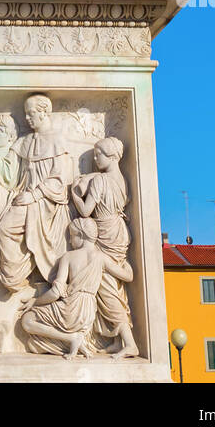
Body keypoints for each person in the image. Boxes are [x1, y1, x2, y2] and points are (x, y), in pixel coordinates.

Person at [20, 216, 132, 358]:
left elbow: (55, 292)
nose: (69, 241)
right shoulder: (101, 257)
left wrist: (34, 302)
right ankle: (74, 339)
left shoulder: (68, 257)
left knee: (27, 320)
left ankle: (71, 338)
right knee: (35, 343)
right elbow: (128, 277)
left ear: (81, 235)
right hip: (88, 311)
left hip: (70, 308)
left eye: (72, 236)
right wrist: (127, 264)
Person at [0, 94, 73, 290]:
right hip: (25, 197)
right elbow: (9, 175)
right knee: (2, 227)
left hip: (46, 202)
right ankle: (14, 278)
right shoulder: (25, 142)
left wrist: (34, 195)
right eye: (26, 114)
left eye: (31, 114)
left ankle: (21, 278)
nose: (27, 118)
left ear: (44, 112)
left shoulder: (57, 141)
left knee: (4, 227)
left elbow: (61, 180)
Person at [71, 136, 138, 358]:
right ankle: (119, 340)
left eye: (98, 154)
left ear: (111, 156)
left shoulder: (100, 181)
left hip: (105, 233)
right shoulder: (122, 180)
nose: (95, 158)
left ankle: (130, 344)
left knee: (107, 288)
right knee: (112, 287)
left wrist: (74, 194)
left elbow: (85, 211)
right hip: (118, 232)